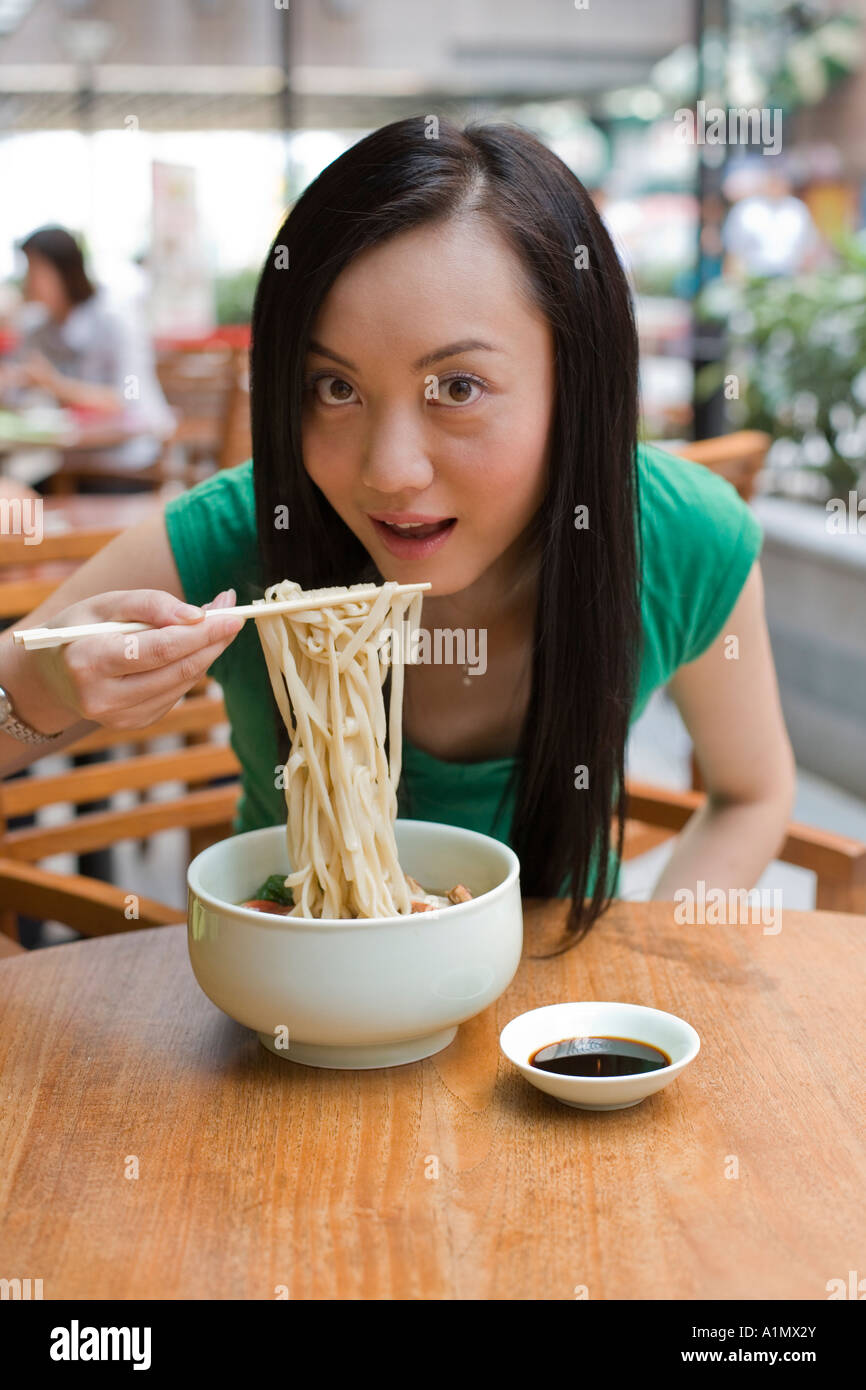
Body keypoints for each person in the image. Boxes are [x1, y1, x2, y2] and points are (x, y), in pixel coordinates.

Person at [0, 118, 796, 946]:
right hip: (288, 1017)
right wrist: (49, 691)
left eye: (457, 386)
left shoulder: (677, 537)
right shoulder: (242, 533)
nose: (389, 471)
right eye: (334, 388)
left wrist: (642, 968)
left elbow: (751, 792)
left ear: (576, 381)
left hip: (552, 1034)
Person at [0, 225, 175, 487]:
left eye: (34, 270)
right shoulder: (37, 328)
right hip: (74, 465)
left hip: (130, 465)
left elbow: (128, 396)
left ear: (64, 271)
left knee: (32, 510)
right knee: (17, 504)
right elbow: (16, 394)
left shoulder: (116, 321)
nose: (27, 282)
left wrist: (54, 384)